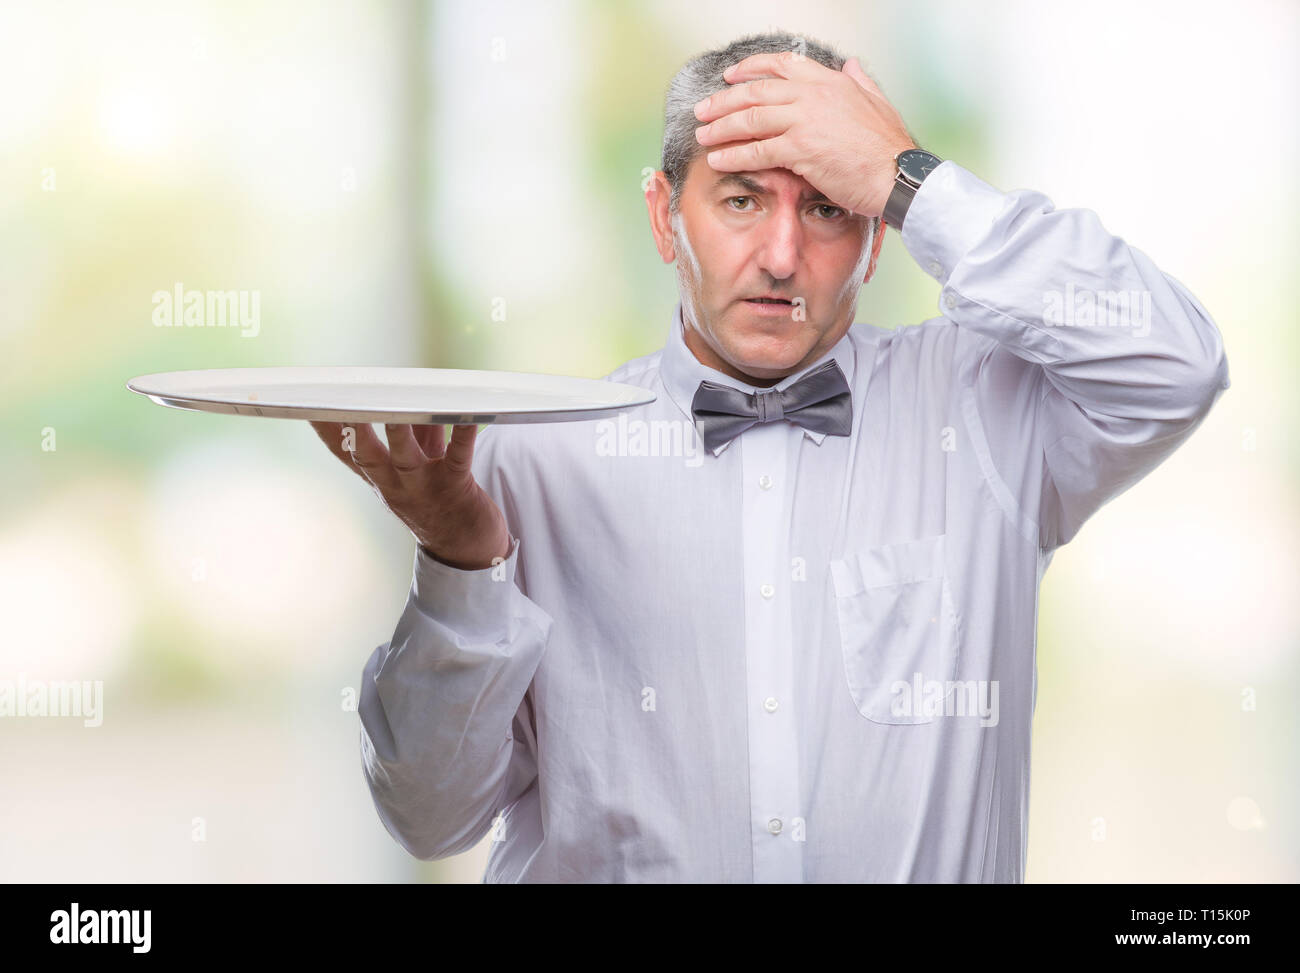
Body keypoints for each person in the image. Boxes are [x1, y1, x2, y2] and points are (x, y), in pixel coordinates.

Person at [312, 31, 1229, 882]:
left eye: (829, 207)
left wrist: (910, 179)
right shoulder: (539, 460)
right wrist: (459, 563)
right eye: (742, 199)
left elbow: (1178, 365)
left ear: (874, 241)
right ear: (666, 218)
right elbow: (428, 818)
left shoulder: (988, 409)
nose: (783, 255)